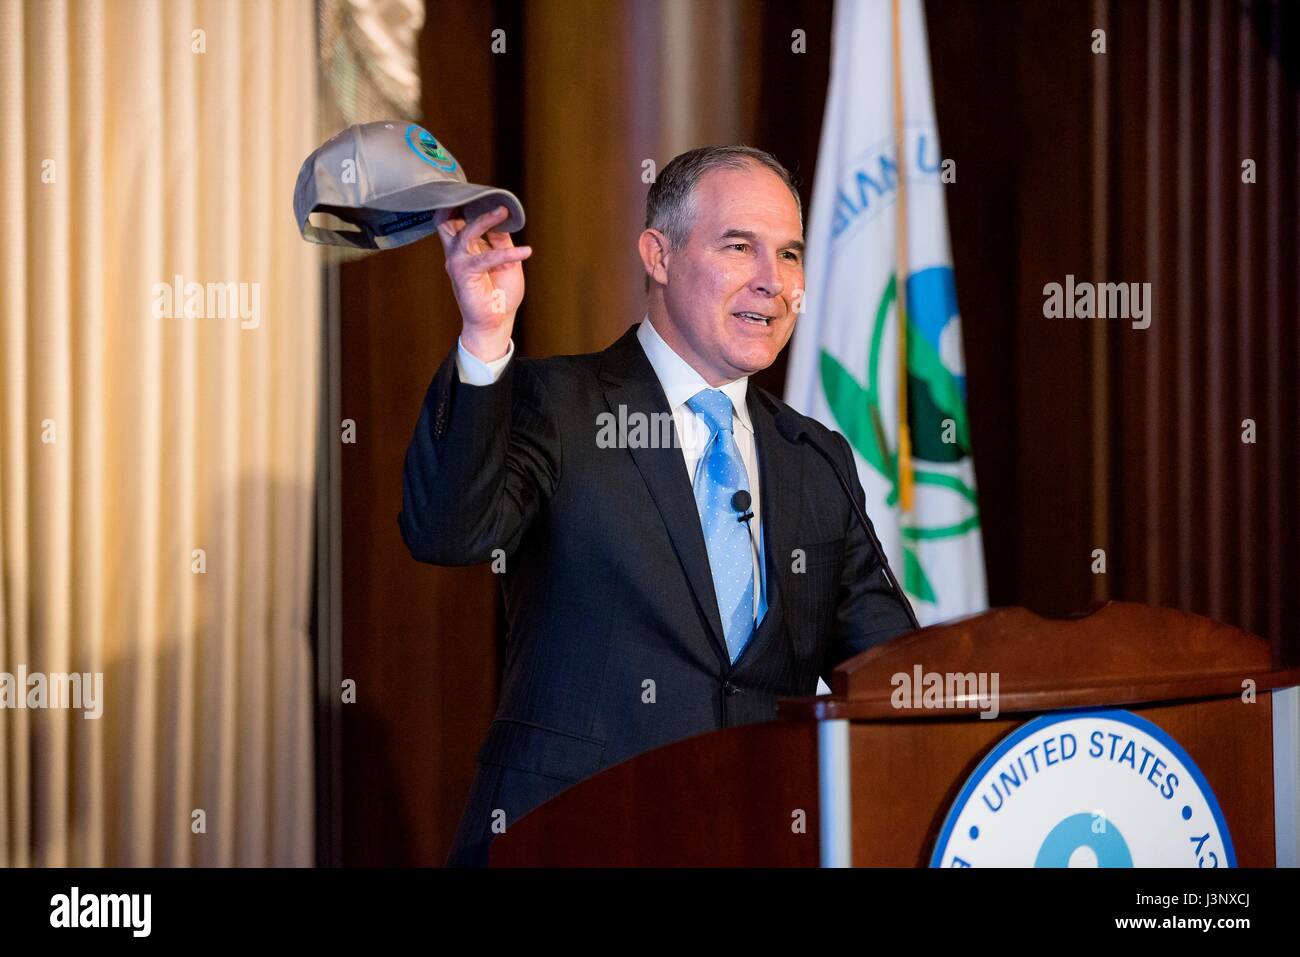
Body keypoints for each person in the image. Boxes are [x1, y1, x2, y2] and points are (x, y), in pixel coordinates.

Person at [398, 145, 916, 867]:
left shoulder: (815, 458)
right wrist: (486, 340)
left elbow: (895, 676)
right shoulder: (562, 405)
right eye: (740, 247)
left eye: (790, 255)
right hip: (568, 839)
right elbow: (447, 531)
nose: (774, 282)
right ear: (659, 255)